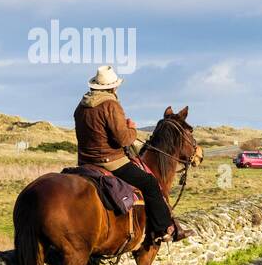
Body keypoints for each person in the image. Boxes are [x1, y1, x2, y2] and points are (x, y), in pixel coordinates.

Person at [74, 66, 190, 242]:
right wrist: (132, 128)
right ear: (113, 87)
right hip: (110, 162)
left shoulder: (81, 107)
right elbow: (124, 140)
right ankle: (162, 229)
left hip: (85, 163)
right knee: (150, 183)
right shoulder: (111, 105)